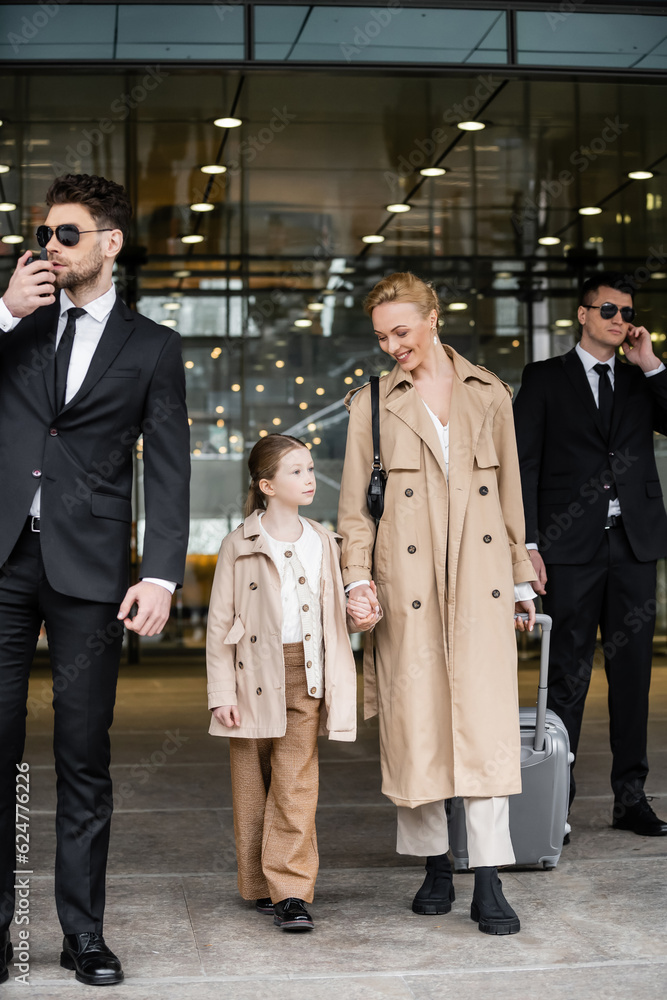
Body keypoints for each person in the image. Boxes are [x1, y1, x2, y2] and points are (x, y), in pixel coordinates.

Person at [0, 174, 190, 986]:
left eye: (67, 234)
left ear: (110, 243)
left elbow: (172, 469)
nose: (50, 246)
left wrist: (161, 573)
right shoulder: (15, 323)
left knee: (84, 755)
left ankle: (84, 933)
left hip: (90, 573)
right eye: (44, 233)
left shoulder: (152, 347)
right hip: (4, 560)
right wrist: (7, 309)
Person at [337, 272, 536, 936]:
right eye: (381, 336)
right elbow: (353, 514)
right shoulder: (368, 402)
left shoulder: (489, 395)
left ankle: (487, 876)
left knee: (484, 728)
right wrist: (355, 581)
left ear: (432, 318)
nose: (392, 346)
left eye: (401, 331)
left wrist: (518, 583)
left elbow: (510, 501)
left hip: (479, 584)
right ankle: (432, 862)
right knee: (415, 725)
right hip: (406, 589)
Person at [514, 271, 667, 839]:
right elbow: (523, 465)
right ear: (581, 315)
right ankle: (561, 802)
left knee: (632, 677)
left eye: (626, 311)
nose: (618, 319)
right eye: (607, 309)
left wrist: (650, 362)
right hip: (569, 549)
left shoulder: (638, 381)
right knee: (569, 675)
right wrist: (528, 544)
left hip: (632, 546)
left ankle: (631, 799)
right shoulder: (544, 379)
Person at [206, 434, 376, 933]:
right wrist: (221, 696)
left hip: (308, 673)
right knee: (251, 784)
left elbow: (334, 613)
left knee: (296, 783)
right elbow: (219, 625)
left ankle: (291, 891)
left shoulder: (322, 539)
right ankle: (259, 884)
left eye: (309, 468)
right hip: (250, 676)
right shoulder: (238, 543)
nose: (309, 478)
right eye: (297, 471)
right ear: (267, 486)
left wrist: (362, 614)